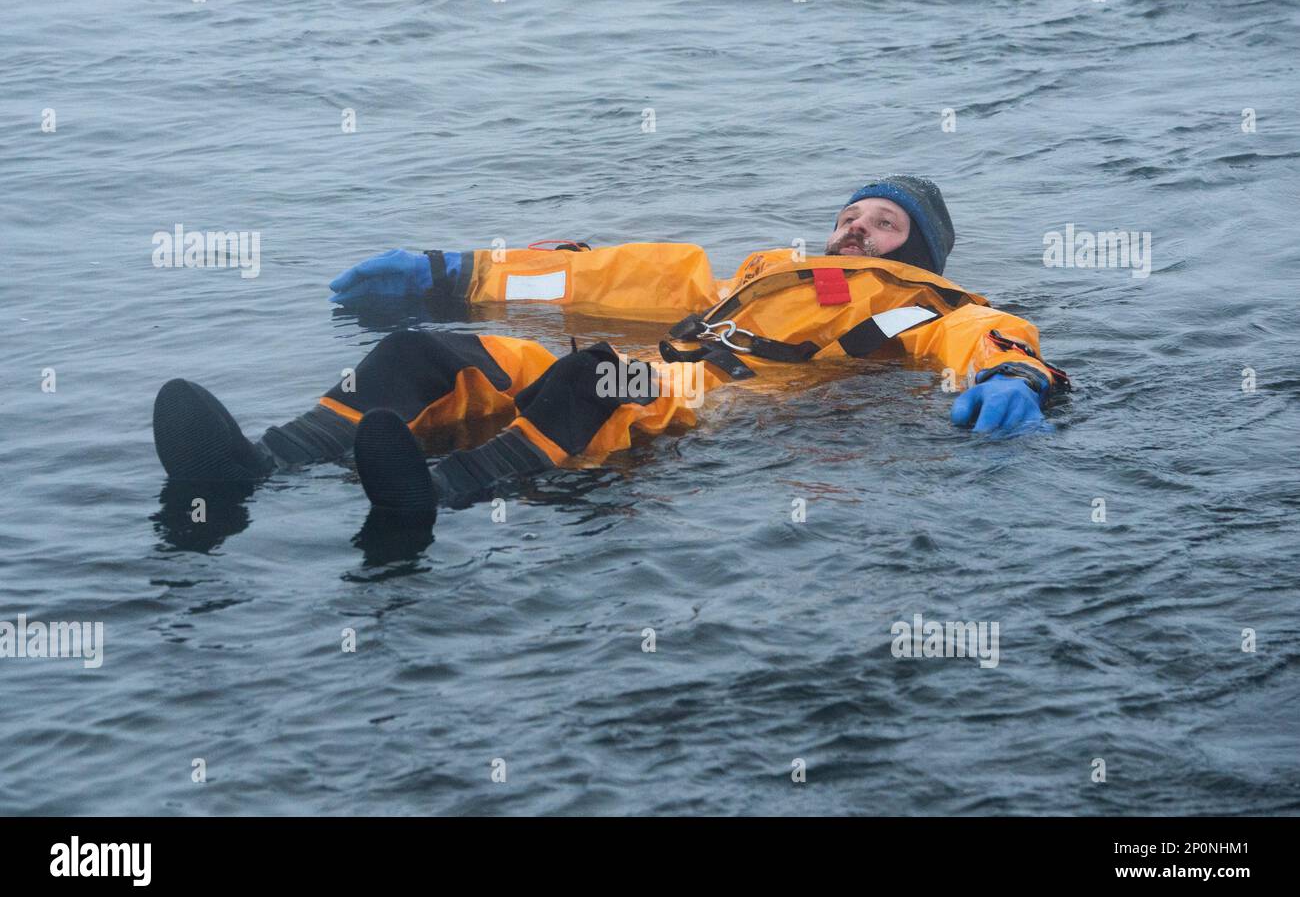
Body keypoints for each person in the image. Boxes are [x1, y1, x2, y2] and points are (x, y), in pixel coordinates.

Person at [152, 175, 1069, 525]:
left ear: (918, 247)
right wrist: (459, 270)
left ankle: (436, 491)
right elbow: (615, 278)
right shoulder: (760, 273)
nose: (855, 229)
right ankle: (262, 461)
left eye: (883, 221)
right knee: (426, 352)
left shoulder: (929, 302)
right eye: (848, 214)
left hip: (721, 405)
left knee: (596, 373)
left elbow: (982, 333)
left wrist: (1013, 370)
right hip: (665, 365)